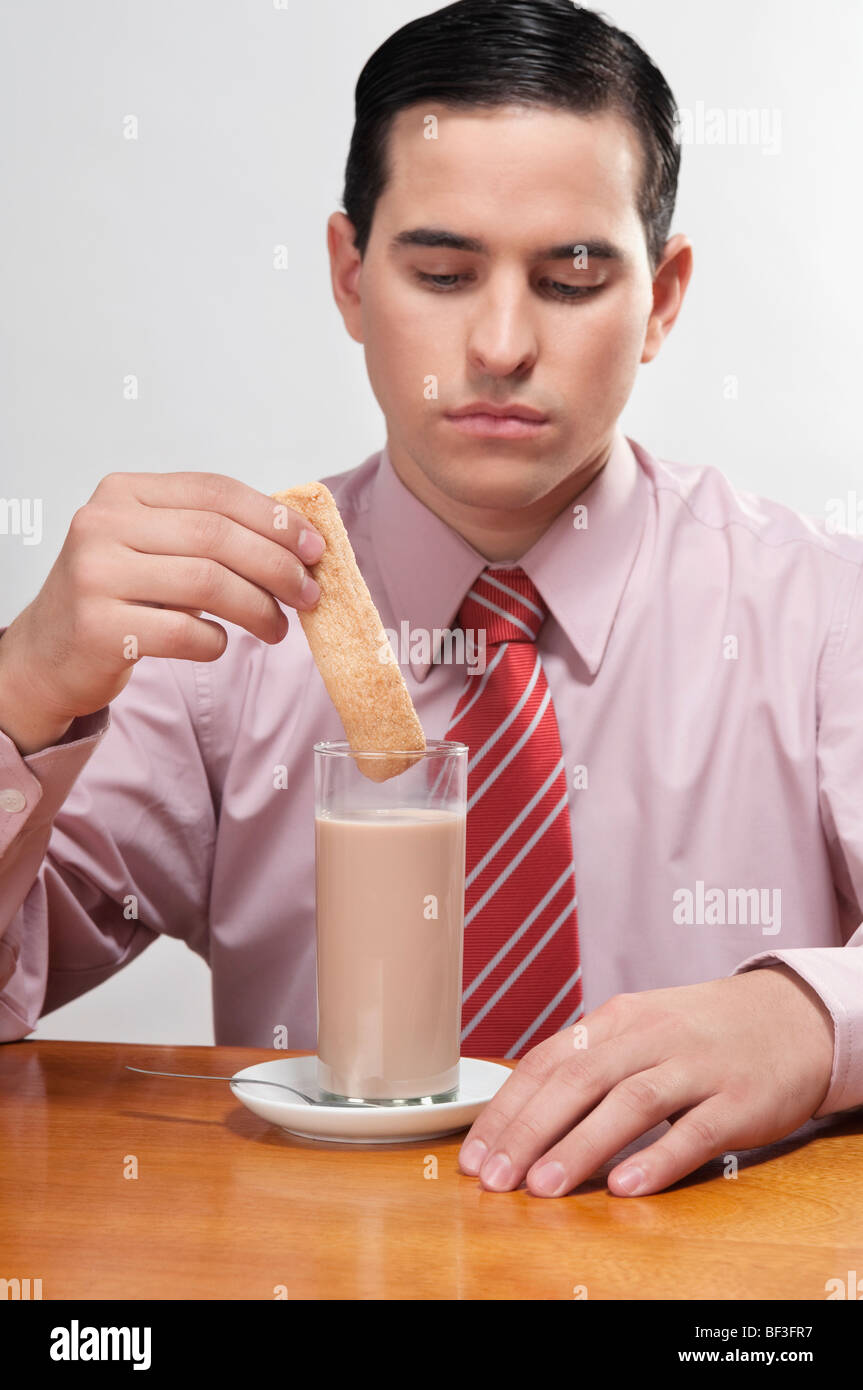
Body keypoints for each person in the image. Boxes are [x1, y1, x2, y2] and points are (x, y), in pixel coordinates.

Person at [1, 0, 860, 1202]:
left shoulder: (818, 610)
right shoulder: (218, 637)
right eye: (443, 272)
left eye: (569, 277)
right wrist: (23, 689)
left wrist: (811, 1022)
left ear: (661, 300)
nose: (500, 343)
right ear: (351, 278)